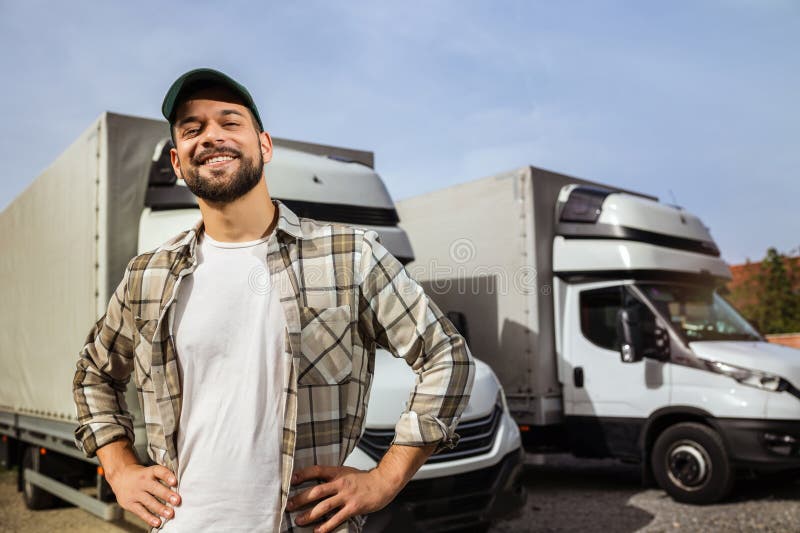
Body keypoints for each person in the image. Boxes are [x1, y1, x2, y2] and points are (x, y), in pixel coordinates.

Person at [72, 68, 475, 533]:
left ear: (264, 146)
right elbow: (93, 374)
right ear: (177, 162)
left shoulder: (350, 256)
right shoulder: (149, 275)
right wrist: (119, 467)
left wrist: (387, 477)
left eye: (229, 122)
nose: (210, 137)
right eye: (192, 129)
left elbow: (447, 355)